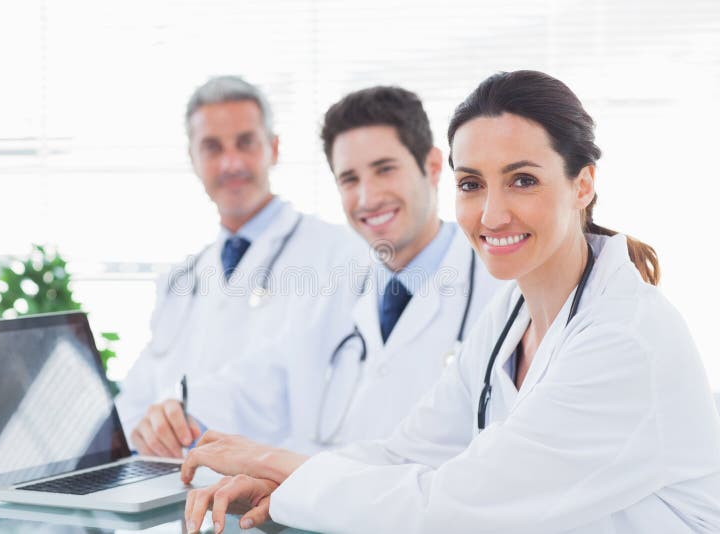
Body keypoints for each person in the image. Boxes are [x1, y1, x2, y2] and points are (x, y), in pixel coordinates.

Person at [178, 70, 720, 534]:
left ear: (583, 185)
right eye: (472, 185)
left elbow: (453, 506)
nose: (491, 215)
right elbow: (407, 451)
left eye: (523, 180)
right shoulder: (510, 315)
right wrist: (284, 476)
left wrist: (276, 462)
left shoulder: (622, 339)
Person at [127, 85, 503, 460]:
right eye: (349, 179)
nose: (368, 198)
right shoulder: (338, 287)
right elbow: (265, 378)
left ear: (433, 166)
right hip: (329, 513)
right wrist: (181, 407)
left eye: (385, 169)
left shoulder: (497, 288)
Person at [114, 76, 366, 454]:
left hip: (274, 494)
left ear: (274, 148)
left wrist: (187, 412)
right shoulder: (180, 278)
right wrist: (147, 428)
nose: (231, 163)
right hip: (172, 488)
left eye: (245, 143)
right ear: (193, 158)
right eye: (212, 147)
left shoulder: (340, 254)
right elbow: (135, 401)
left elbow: (300, 387)